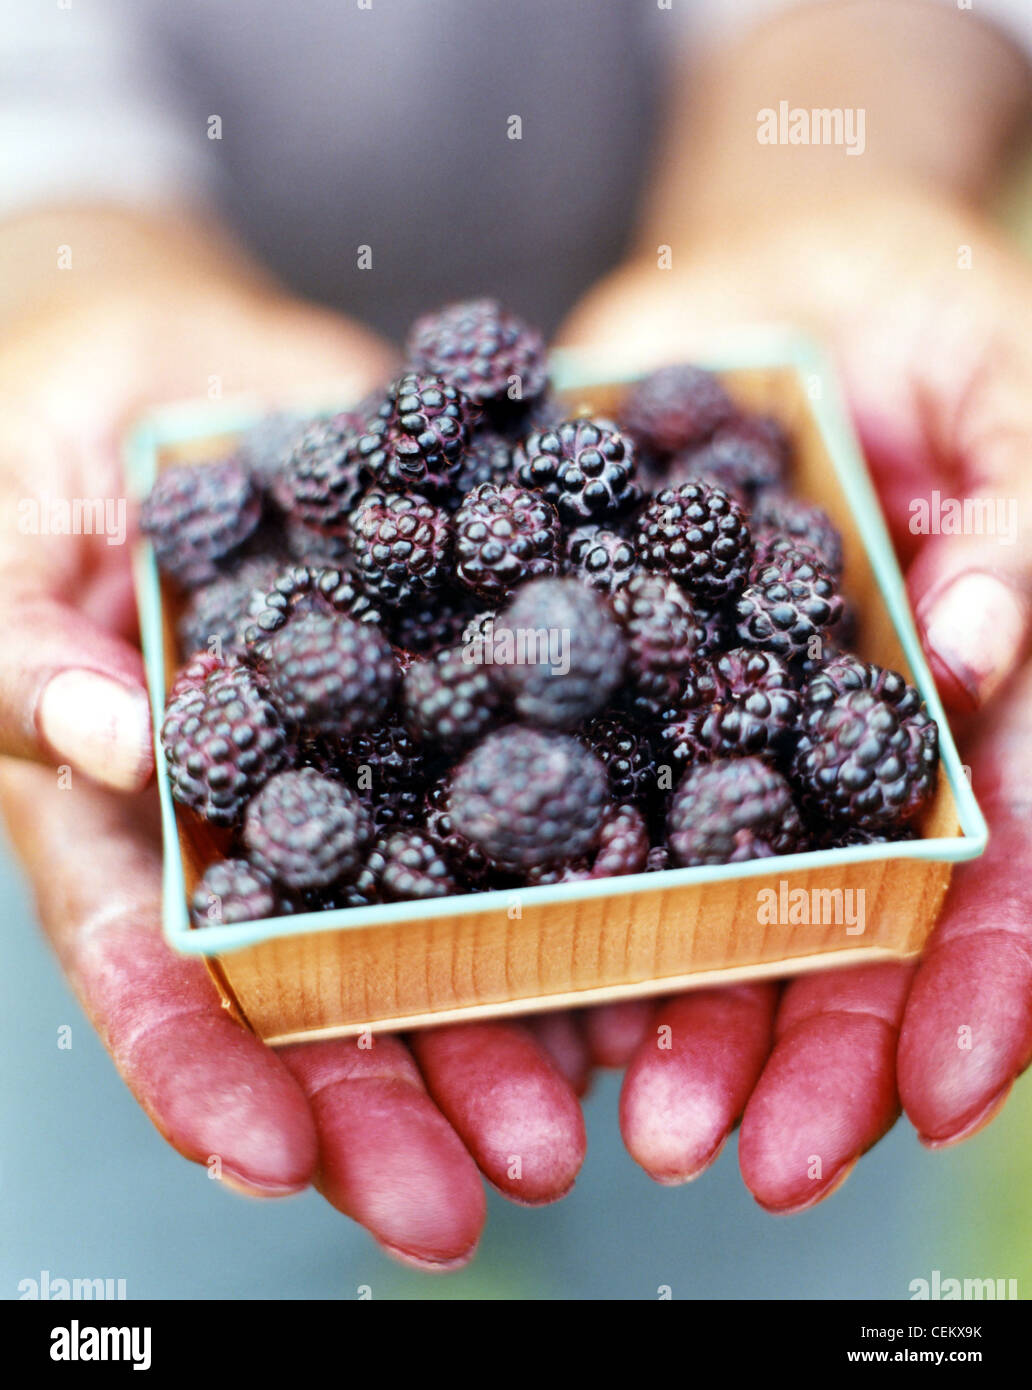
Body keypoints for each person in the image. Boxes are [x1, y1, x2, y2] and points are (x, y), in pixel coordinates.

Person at [1, 0, 1030, 1270]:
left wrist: (827, 176)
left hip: (762, 937)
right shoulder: (352, 617)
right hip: (208, 329)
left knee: (774, 1225)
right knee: (154, 1237)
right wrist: (69, 278)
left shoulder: (649, 593)